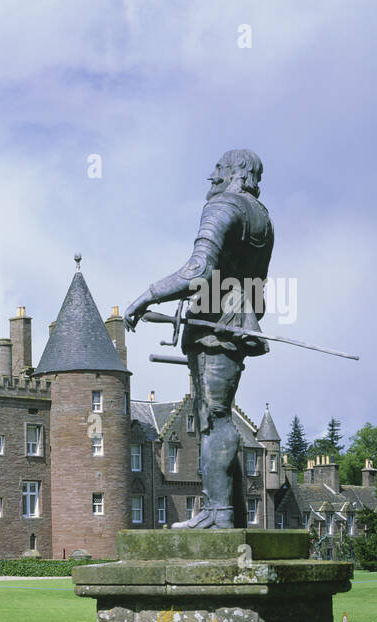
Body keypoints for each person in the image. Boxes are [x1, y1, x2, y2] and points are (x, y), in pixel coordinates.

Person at [124, 149, 274, 528]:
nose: (212, 175)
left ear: (235, 172)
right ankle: (234, 512)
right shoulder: (262, 217)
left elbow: (198, 268)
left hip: (215, 329)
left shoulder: (224, 206)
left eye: (219, 168)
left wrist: (147, 295)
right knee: (220, 417)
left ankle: (217, 513)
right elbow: (249, 282)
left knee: (214, 419)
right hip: (236, 324)